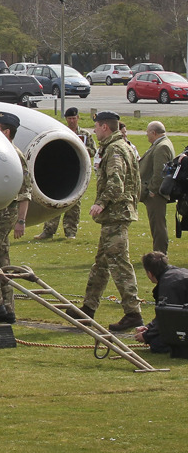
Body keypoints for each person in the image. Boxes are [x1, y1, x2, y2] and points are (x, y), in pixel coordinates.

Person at [71, 110, 143, 332]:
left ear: (105, 127)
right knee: (101, 263)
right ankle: (88, 308)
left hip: (116, 214)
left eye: (96, 127)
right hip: (117, 213)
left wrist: (101, 203)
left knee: (119, 263)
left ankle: (133, 313)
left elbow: (116, 182)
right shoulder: (122, 146)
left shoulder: (114, 149)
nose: (94, 131)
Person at [0, 110, 31, 324]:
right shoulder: (1, 151)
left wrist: (21, 220)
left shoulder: (13, 155)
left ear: (6, 132)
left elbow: (25, 190)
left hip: (5, 212)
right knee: (1, 258)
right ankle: (8, 309)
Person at [35, 106, 96, 240]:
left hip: (77, 172)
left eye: (74, 118)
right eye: (69, 119)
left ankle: (70, 232)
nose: (72, 121)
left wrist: (83, 150)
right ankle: (48, 230)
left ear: (78, 118)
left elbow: (93, 151)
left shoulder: (85, 134)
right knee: (54, 201)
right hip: (60, 171)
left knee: (74, 205)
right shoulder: (61, 132)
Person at [135, 251, 188, 355]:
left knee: (156, 343)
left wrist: (146, 336)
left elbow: (169, 317)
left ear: (150, 273)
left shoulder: (168, 284)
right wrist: (150, 327)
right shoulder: (179, 273)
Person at [139, 121, 175, 254]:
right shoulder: (162, 144)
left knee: (158, 225)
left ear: (153, 132)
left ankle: (160, 253)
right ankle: (159, 253)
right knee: (156, 224)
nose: (146, 135)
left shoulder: (161, 147)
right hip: (156, 192)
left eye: (148, 132)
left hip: (156, 194)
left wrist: (152, 190)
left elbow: (160, 172)